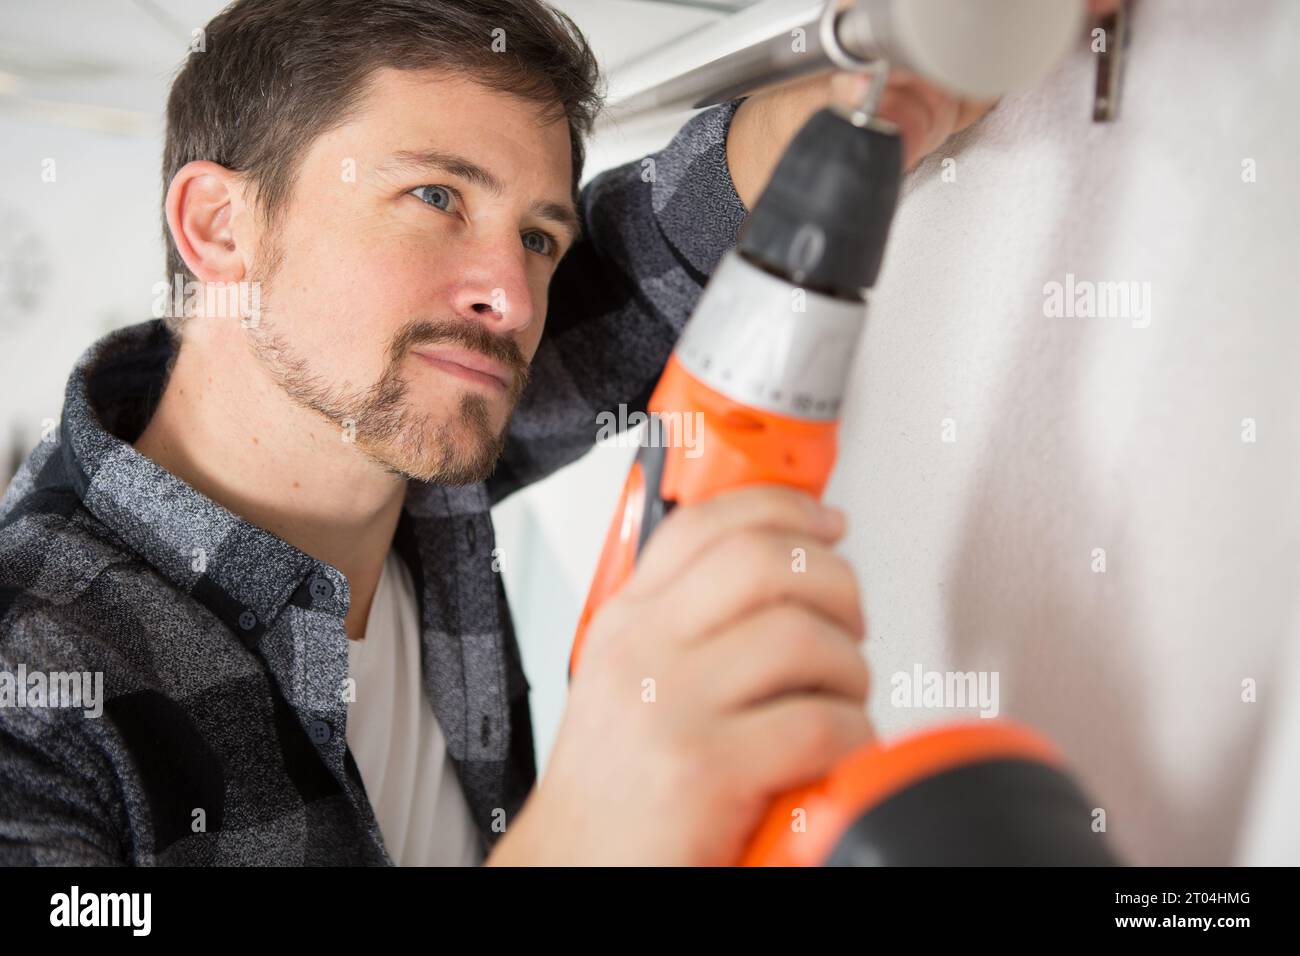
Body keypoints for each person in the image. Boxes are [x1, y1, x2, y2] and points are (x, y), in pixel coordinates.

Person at [0, 0, 1079, 866]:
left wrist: (900, 84)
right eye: (434, 195)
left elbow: (646, 248)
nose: (511, 299)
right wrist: (588, 827)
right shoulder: (31, 684)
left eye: (535, 235)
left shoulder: (405, 442)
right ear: (220, 225)